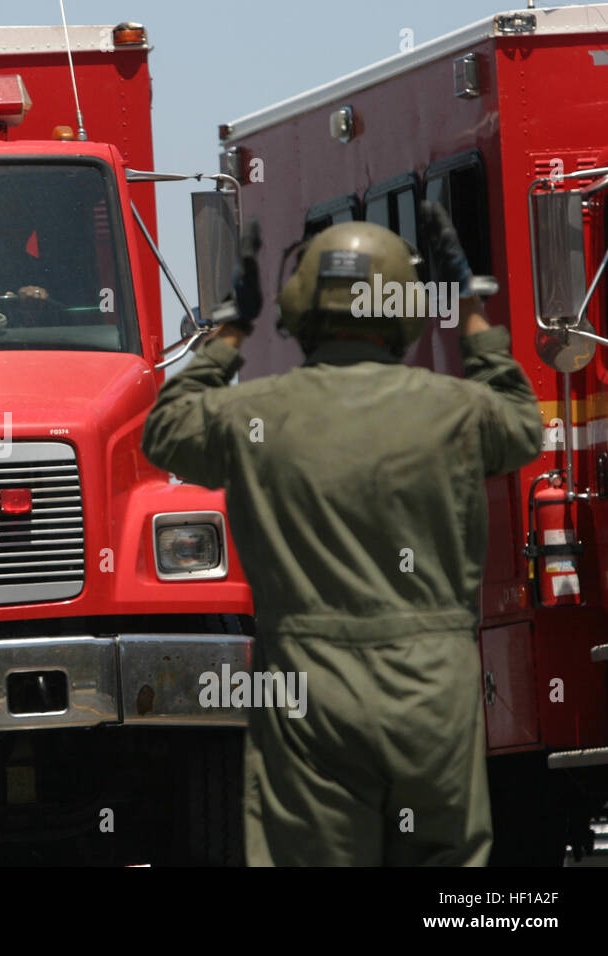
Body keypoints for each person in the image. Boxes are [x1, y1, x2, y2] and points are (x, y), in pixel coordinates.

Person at [141, 203, 543, 865]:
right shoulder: (457, 412)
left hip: (308, 693)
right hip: (431, 691)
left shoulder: (252, 415)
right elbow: (523, 425)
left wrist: (229, 330)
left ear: (300, 312)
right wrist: (473, 311)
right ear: (405, 312)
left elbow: (165, 432)